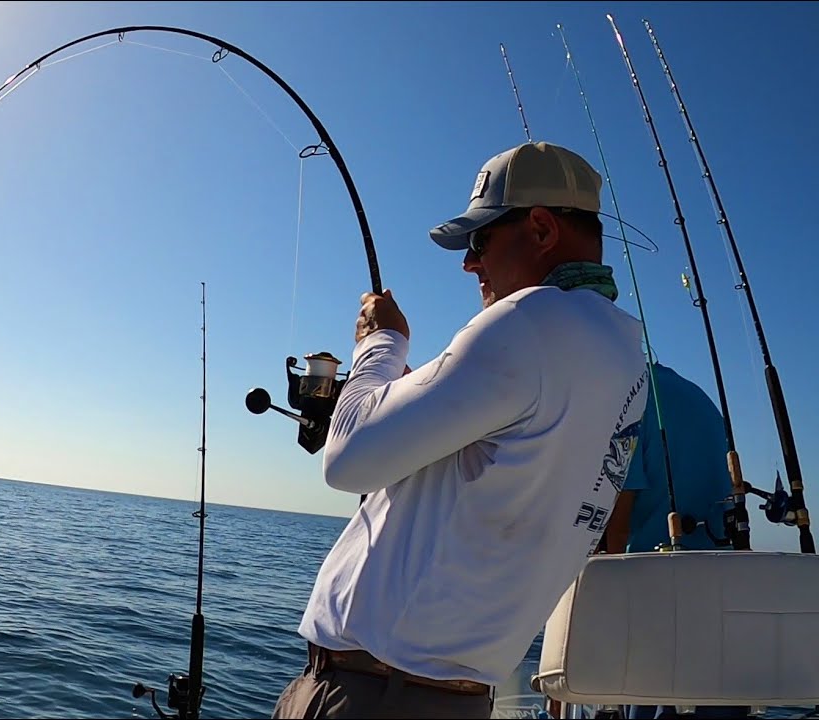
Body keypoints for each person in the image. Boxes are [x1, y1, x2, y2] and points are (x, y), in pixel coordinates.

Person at [270, 141, 651, 719]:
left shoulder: (527, 324)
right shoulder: (622, 358)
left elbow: (346, 458)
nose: (469, 263)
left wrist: (380, 343)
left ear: (542, 229)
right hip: (447, 699)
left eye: (480, 240)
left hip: (376, 697)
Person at [596, 360, 746, 720]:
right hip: (720, 586)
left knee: (644, 697)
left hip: (653, 590)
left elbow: (617, 524)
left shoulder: (625, 398)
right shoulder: (699, 397)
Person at [603, 360, 734, 555]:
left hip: (655, 571)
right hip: (725, 561)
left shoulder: (627, 398)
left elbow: (618, 530)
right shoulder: (698, 396)